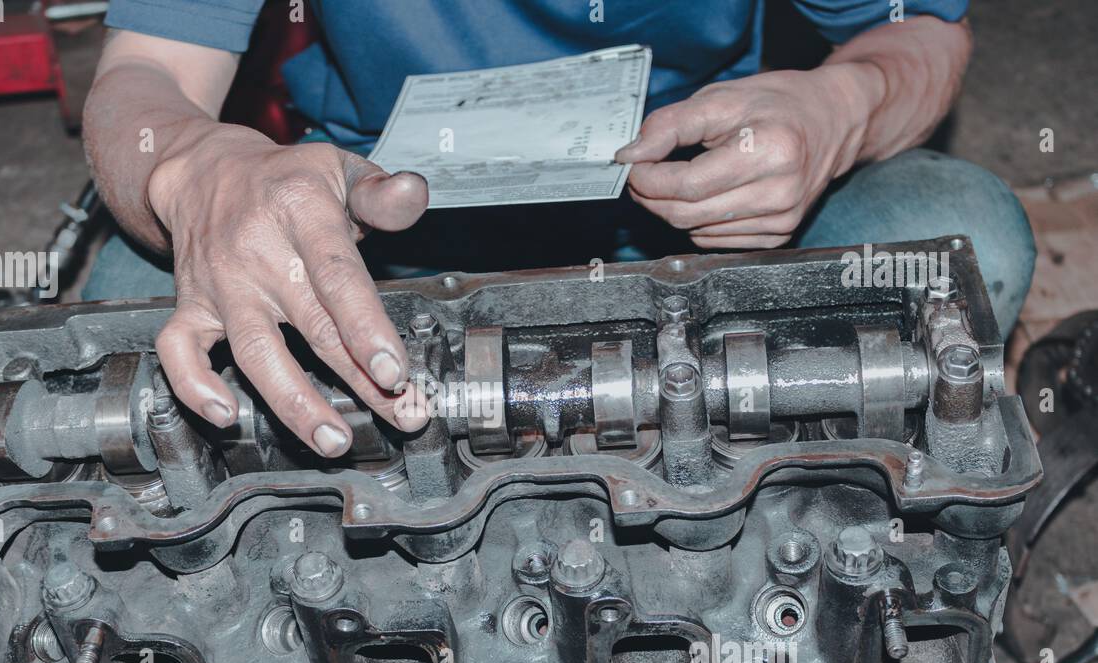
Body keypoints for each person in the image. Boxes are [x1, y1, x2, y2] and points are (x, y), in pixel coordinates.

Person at [81, 0, 1034, 458]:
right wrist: (196, 172)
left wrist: (842, 105)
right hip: (369, 216)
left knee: (959, 240)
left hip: (700, 207)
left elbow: (919, 30)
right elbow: (145, 78)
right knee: (127, 328)